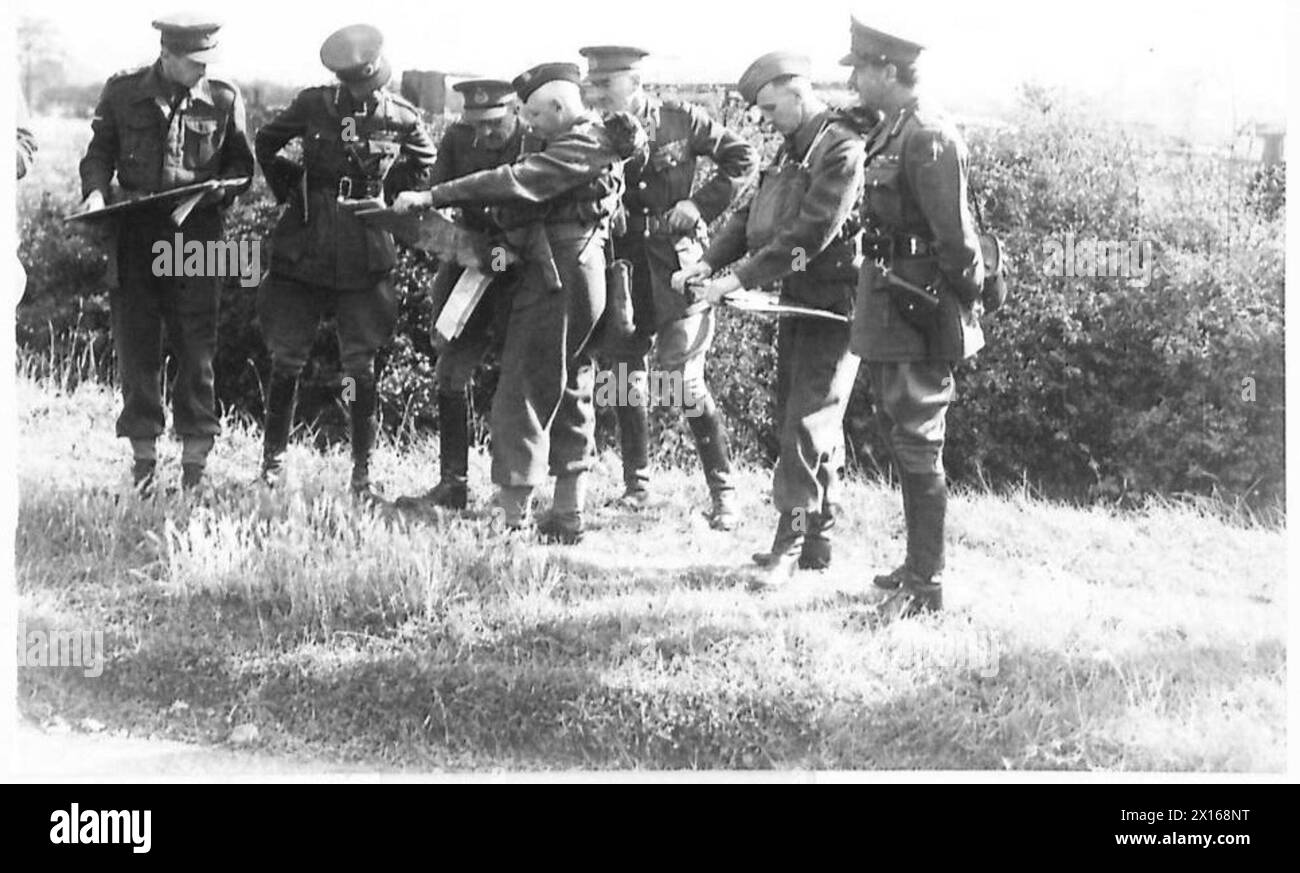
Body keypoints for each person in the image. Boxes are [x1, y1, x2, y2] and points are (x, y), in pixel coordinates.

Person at [391, 62, 639, 543]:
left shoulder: (580, 145)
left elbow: (515, 180)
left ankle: (514, 523)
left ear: (559, 107)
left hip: (557, 273)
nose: (528, 126)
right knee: (569, 385)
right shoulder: (588, 138)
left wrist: (432, 196)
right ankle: (567, 515)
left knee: (521, 391)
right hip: (575, 268)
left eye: (533, 116)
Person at [674, 52, 867, 586]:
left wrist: (735, 281)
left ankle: (791, 539)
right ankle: (818, 539)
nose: (762, 118)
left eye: (768, 105)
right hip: (799, 295)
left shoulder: (843, 148)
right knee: (800, 412)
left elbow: (811, 235)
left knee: (807, 419)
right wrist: (709, 262)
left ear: (797, 91)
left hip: (836, 303)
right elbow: (747, 215)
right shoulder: (794, 147)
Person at [253, 24, 436, 501]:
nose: (360, 99)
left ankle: (363, 474)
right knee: (287, 359)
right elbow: (265, 143)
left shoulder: (401, 117)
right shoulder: (313, 105)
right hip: (305, 247)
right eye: (352, 89)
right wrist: (295, 191)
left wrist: (390, 201)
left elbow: (424, 164)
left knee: (361, 366)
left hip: (365, 251)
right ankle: (272, 465)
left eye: (368, 90)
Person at [578, 45, 756, 529]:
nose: (596, 95)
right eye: (592, 86)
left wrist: (700, 205)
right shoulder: (590, 131)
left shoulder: (681, 121)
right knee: (622, 371)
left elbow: (743, 157)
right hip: (621, 265)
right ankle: (636, 487)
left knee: (682, 379)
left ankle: (724, 493)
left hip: (676, 266)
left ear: (635, 83)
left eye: (606, 86)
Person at [843, 19, 986, 618]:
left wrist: (963, 300)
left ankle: (928, 582)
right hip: (893, 300)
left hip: (918, 308)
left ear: (889, 70)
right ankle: (915, 567)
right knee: (906, 437)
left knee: (920, 440)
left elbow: (956, 238)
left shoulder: (926, 134)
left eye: (860, 69)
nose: (853, 79)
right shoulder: (894, 130)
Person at [77, 14, 254, 494]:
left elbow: (243, 166)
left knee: (197, 352)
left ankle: (194, 467)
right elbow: (98, 155)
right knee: (138, 349)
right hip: (135, 233)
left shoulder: (224, 98)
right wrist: (94, 193)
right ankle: (144, 464)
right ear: (167, 54)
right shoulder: (122, 91)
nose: (203, 71)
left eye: (207, 63)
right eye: (194, 62)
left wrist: (222, 188)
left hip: (199, 238)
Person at [395, 79, 534, 512]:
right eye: (475, 124)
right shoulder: (457, 138)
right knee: (451, 372)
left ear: (515, 111)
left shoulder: (537, 141)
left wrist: (512, 250)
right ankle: (453, 483)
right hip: (473, 262)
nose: (484, 134)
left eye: (493, 124)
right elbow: (439, 192)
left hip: (523, 272)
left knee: (521, 380)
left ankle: (519, 490)